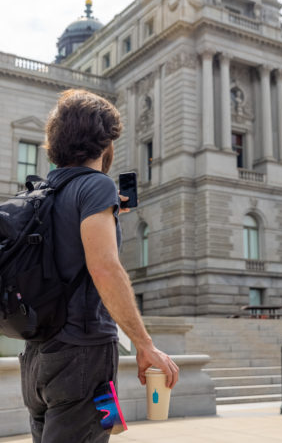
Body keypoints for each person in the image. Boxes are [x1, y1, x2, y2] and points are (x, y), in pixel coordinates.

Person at [20, 89, 179, 443]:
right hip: (82, 356)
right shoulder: (96, 187)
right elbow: (106, 269)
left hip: (37, 359)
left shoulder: (43, 191)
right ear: (105, 143)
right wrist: (144, 344)